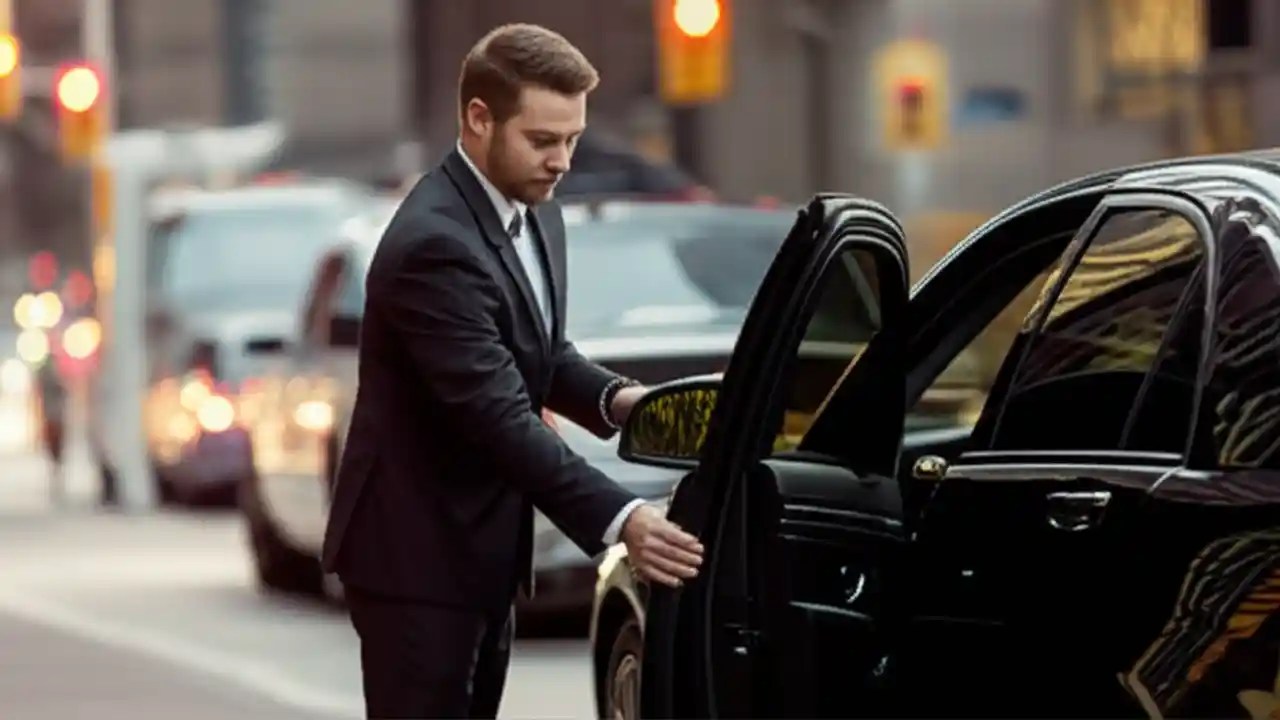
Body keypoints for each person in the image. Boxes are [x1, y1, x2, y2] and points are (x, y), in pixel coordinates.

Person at [321, 23, 705, 719]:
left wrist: (622, 401)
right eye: (543, 140)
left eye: (572, 140)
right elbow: (496, 413)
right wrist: (624, 519)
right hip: (417, 558)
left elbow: (540, 351)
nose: (561, 161)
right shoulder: (432, 244)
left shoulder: (533, 209)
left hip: (482, 549)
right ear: (478, 119)